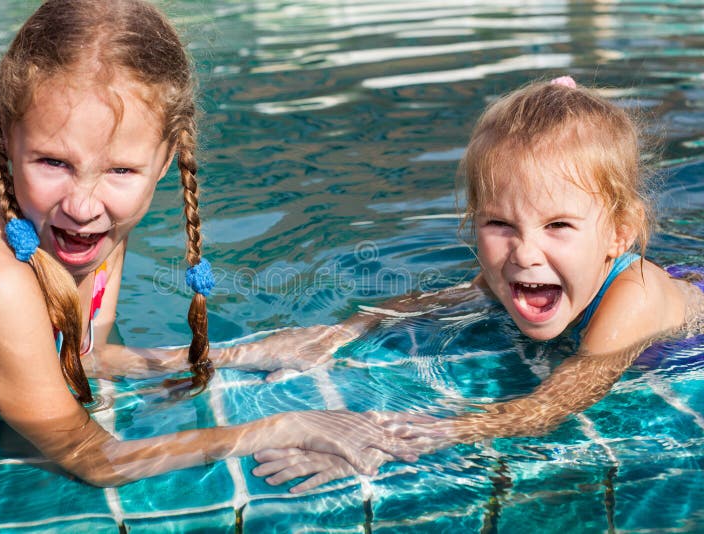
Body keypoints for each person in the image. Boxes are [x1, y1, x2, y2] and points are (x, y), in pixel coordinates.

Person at [0, 0, 426, 487]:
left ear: (166, 157)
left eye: (121, 170)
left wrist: (241, 353)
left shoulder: (92, 232)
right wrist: (280, 428)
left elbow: (83, 359)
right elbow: (93, 459)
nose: (83, 205)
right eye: (53, 162)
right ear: (5, 141)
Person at [252, 76, 704, 492]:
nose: (524, 253)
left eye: (558, 225)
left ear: (619, 234)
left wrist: (393, 438)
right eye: (500, 223)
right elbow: (428, 304)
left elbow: (557, 403)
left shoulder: (635, 297)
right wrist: (336, 334)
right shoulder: (526, 274)